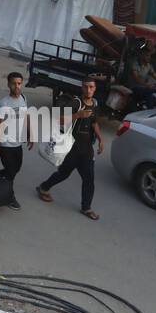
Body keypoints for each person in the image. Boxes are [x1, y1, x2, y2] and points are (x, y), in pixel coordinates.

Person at [37, 77, 103, 220]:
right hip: (71, 148)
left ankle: (86, 208)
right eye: (85, 87)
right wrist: (78, 115)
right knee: (63, 174)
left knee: (89, 179)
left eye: (91, 87)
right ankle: (43, 187)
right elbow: (59, 119)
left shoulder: (95, 104)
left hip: (87, 150)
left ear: (95, 88)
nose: (88, 90)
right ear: (82, 88)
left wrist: (100, 139)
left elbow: (94, 123)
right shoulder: (76, 103)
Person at [0, 72, 31, 211]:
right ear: (8, 84)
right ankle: (10, 197)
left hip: (17, 142)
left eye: (19, 83)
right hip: (5, 144)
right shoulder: (3, 102)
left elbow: (26, 116)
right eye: (13, 83)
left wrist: (30, 133)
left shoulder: (23, 98)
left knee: (16, 168)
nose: (16, 86)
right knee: (10, 172)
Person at [126, 42, 156, 109]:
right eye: (147, 55)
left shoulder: (148, 65)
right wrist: (147, 85)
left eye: (150, 55)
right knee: (149, 93)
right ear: (141, 55)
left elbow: (155, 76)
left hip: (143, 87)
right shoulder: (135, 63)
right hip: (134, 87)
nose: (149, 57)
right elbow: (136, 78)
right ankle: (149, 111)